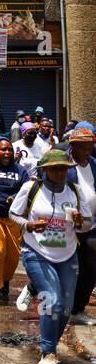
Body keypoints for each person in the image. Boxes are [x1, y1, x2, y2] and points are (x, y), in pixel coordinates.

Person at [10, 148, 92, 364]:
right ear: (44, 170)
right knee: (52, 300)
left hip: (67, 254)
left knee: (65, 307)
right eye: (55, 169)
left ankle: (49, 344)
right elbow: (13, 214)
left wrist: (79, 221)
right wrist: (29, 225)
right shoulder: (31, 189)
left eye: (64, 169)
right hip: (36, 251)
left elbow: (85, 225)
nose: (61, 173)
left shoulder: (74, 191)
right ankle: (48, 353)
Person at [65, 126, 96, 326]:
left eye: (90, 146)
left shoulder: (94, 164)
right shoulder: (64, 165)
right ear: (73, 146)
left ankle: (78, 309)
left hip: (91, 224)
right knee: (66, 269)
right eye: (84, 146)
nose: (88, 150)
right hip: (67, 226)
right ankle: (60, 307)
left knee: (91, 267)